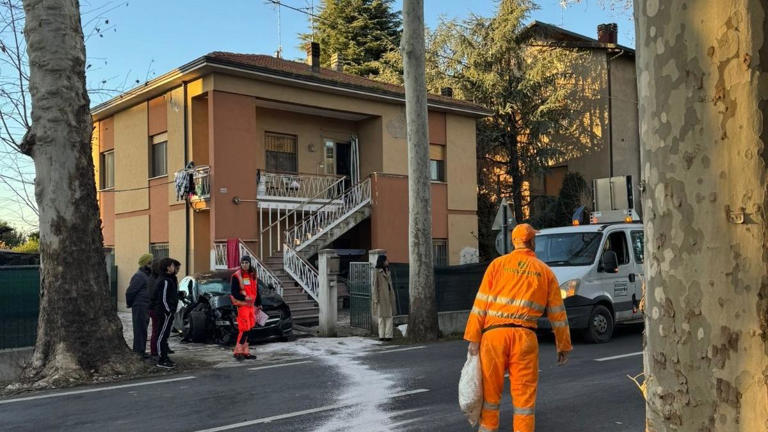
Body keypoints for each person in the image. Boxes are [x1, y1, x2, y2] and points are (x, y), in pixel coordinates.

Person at [464, 223, 572, 432]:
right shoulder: (545, 272)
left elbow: (480, 305)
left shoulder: (497, 265)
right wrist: (563, 345)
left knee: (490, 398)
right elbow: (558, 314)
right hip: (525, 337)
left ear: (514, 242)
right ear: (532, 242)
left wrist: (473, 339)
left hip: (494, 337)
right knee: (524, 402)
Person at [151, 257, 181, 369]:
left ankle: (164, 356)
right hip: (164, 312)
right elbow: (163, 298)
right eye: (173, 266)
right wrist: (168, 311)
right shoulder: (165, 281)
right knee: (161, 335)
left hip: (167, 312)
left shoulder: (168, 279)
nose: (174, 268)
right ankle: (161, 358)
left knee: (165, 334)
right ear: (168, 268)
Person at [230, 255, 261, 360]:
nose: (244, 265)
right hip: (242, 306)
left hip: (251, 306)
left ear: (250, 263)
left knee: (249, 329)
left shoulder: (253, 275)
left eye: (246, 262)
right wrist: (245, 298)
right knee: (244, 329)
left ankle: (245, 352)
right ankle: (238, 352)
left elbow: (256, 290)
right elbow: (234, 293)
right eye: (242, 263)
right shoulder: (236, 276)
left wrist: (259, 302)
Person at [125, 253, 153, 358]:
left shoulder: (146, 275)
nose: (152, 265)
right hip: (140, 306)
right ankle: (138, 352)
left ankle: (141, 350)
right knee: (139, 329)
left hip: (145, 306)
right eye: (150, 263)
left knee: (143, 329)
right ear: (146, 263)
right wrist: (130, 303)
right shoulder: (139, 276)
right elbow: (130, 291)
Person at [372, 255, 396, 341]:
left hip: (389, 296)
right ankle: (381, 336)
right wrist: (375, 298)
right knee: (381, 317)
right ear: (382, 261)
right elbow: (374, 285)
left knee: (389, 316)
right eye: (386, 260)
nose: (388, 261)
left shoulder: (388, 270)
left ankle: (388, 336)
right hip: (381, 297)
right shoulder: (376, 271)